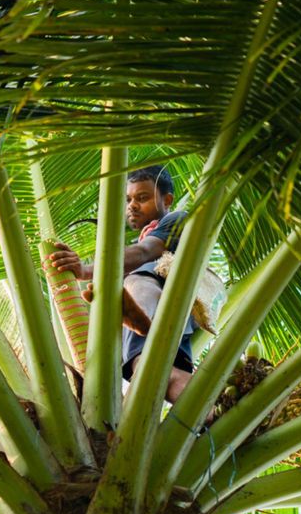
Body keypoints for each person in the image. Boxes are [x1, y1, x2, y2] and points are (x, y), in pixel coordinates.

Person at [48, 165, 193, 404]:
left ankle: (141, 323)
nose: (132, 205)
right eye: (128, 199)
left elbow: (146, 251)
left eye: (142, 198)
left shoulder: (176, 220)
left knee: (135, 282)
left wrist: (84, 270)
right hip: (170, 329)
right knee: (169, 379)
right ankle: (216, 413)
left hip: (165, 303)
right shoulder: (143, 237)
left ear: (167, 199)